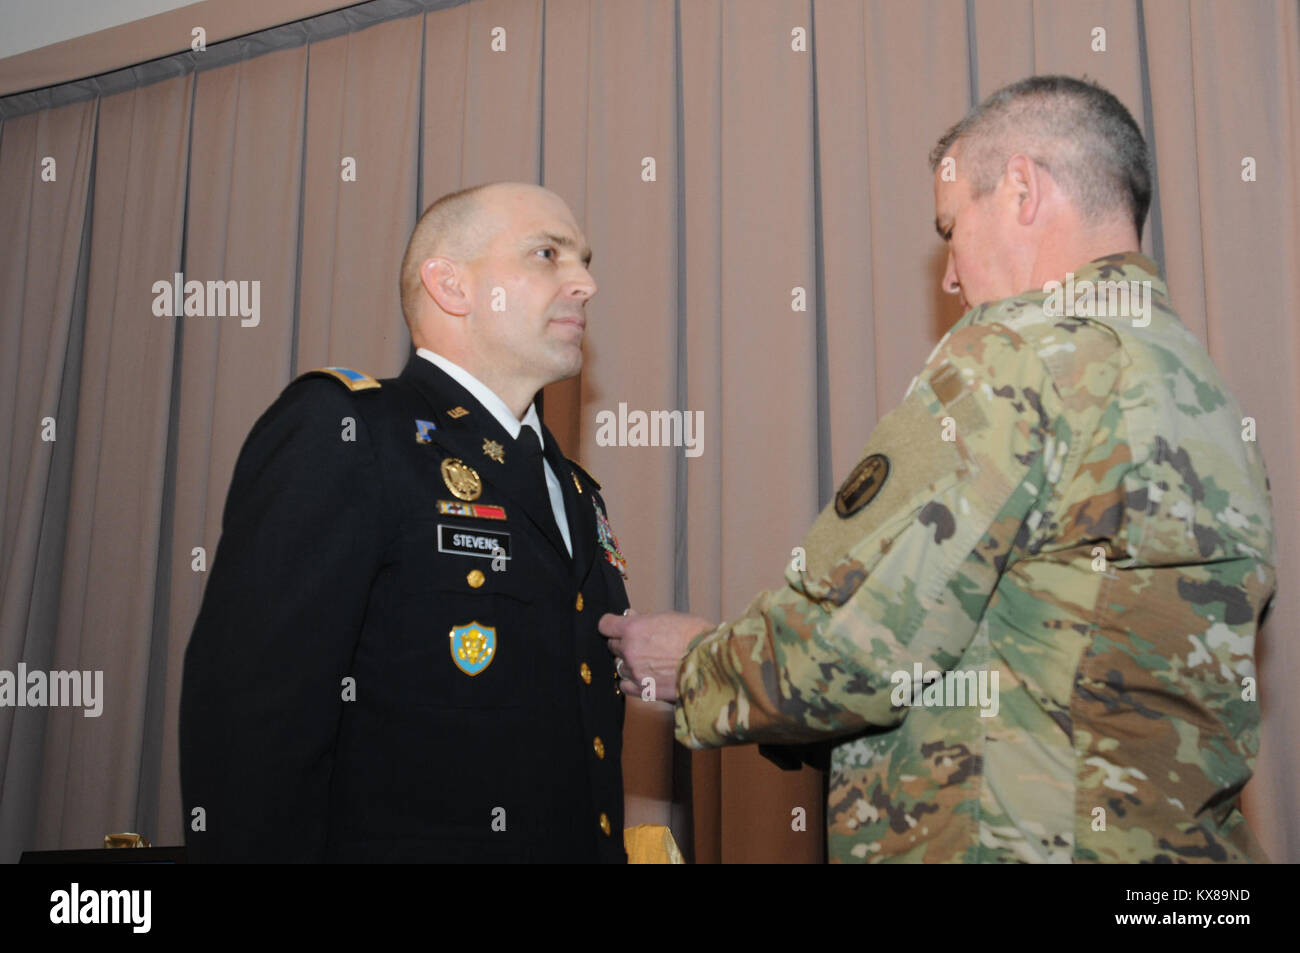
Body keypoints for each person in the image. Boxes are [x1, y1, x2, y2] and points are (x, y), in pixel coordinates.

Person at [601, 75, 1275, 863]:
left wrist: (696, 665)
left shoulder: (1015, 351)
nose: (949, 276)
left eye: (951, 228)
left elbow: (858, 645)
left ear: (1022, 188)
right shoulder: (1208, 396)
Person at [181, 182, 631, 862]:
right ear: (451, 285)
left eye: (585, 260)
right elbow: (254, 725)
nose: (586, 283)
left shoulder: (574, 490)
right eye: (548, 254)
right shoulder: (350, 431)